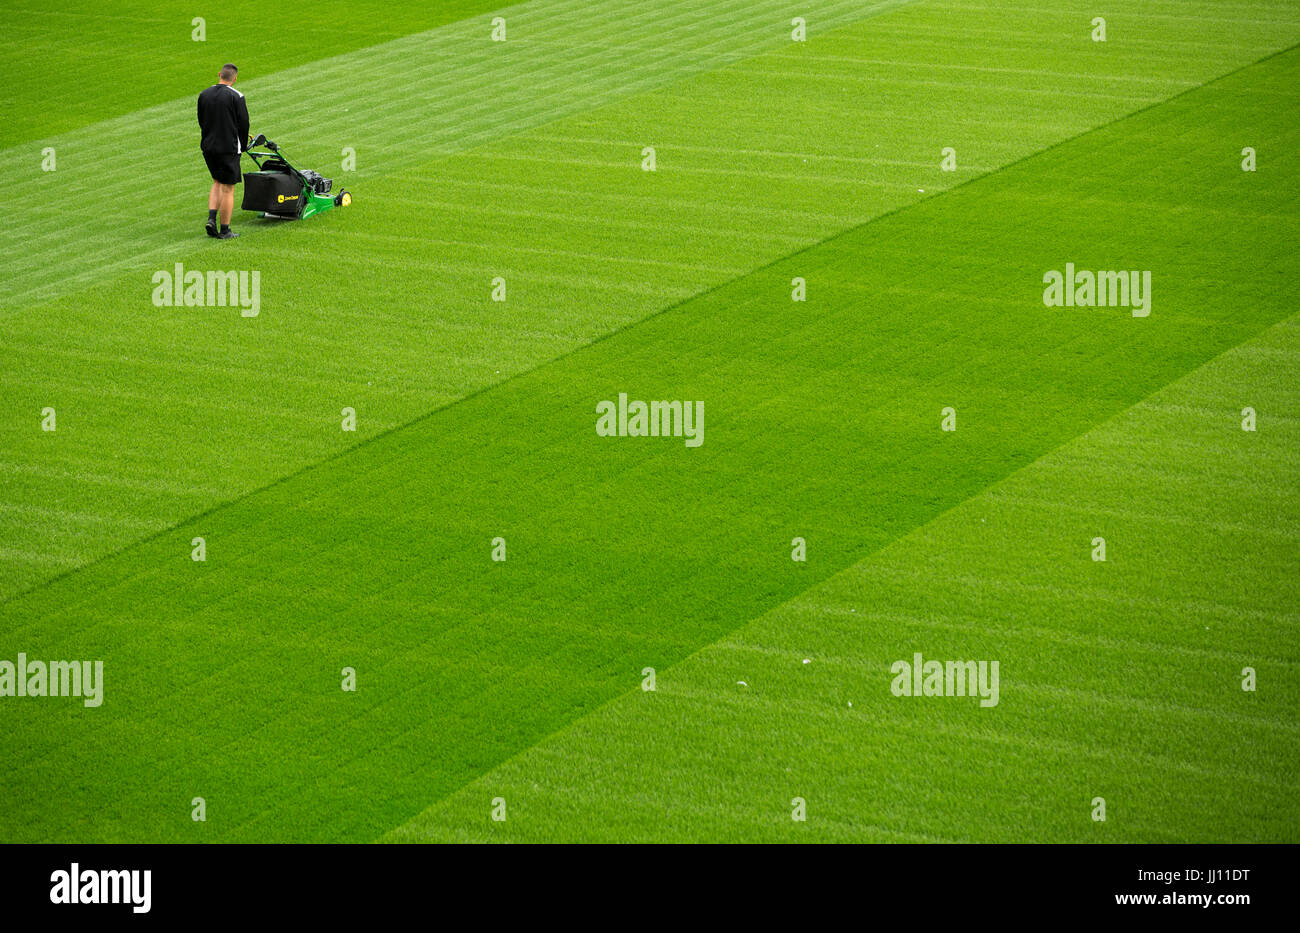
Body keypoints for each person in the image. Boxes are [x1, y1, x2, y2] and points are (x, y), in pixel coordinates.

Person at [197, 64, 250, 239]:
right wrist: (243, 144)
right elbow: (243, 124)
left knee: (217, 182)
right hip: (229, 148)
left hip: (209, 147)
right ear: (234, 79)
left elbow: (201, 120)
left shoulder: (204, 94)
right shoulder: (237, 96)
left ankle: (211, 219)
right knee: (228, 188)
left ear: (219, 74)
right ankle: (225, 230)